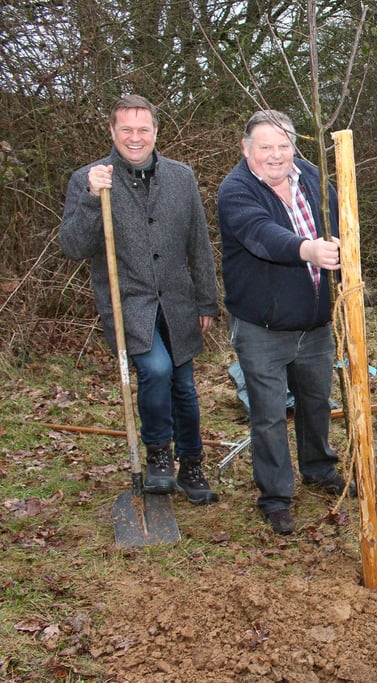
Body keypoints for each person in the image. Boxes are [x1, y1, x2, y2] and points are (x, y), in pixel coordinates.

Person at [59, 95, 220, 505]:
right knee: (158, 369)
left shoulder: (181, 178)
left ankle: (192, 463)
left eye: (143, 129)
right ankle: (159, 456)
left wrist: (206, 301)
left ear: (155, 132)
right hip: (129, 301)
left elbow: (198, 244)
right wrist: (92, 199)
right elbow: (74, 246)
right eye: (126, 129)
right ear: (112, 132)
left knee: (184, 384)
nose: (135, 137)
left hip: (179, 301)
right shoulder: (90, 179)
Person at [217, 109, 353, 535]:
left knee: (316, 402)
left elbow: (339, 216)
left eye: (283, 146)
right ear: (246, 149)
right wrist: (308, 250)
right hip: (263, 327)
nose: (275, 156)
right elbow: (261, 234)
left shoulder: (311, 176)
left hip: (314, 323)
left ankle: (318, 467)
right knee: (270, 413)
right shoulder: (236, 191)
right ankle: (275, 496)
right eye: (265, 147)